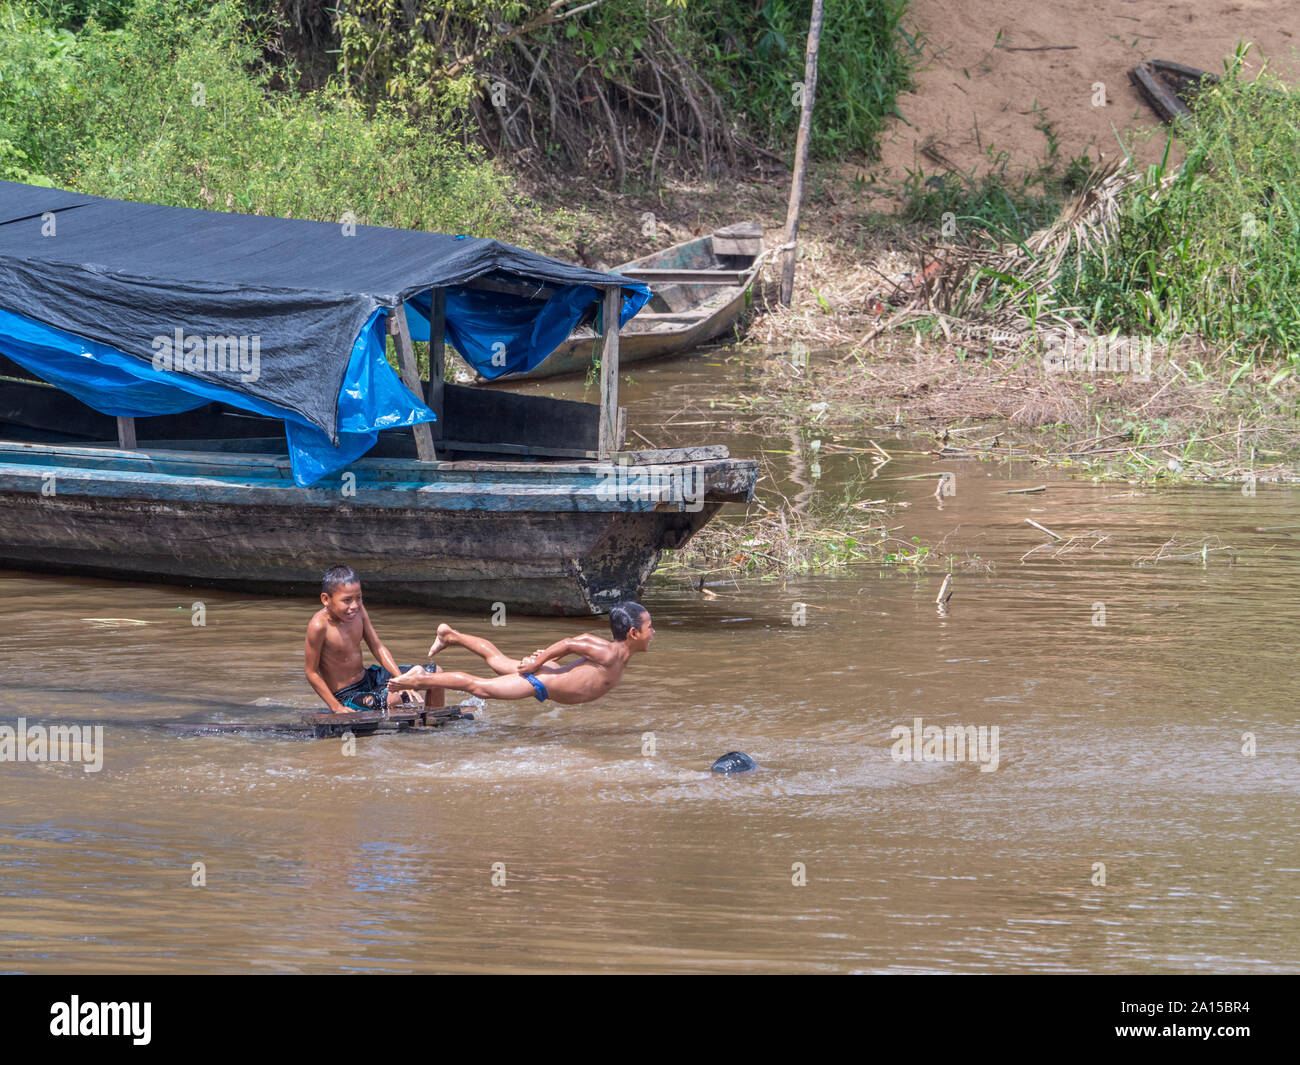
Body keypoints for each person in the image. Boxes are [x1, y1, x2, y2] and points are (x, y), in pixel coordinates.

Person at [386, 602, 653, 706]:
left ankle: (451, 636)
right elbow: (573, 642)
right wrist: (539, 661)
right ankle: (419, 679)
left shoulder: (617, 655)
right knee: (480, 688)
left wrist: (546, 662)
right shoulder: (609, 653)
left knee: (497, 660)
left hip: (546, 674)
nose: (653, 632)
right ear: (633, 633)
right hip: (539, 681)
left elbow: (575, 654)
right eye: (649, 627)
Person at [303, 565, 445, 714]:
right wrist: (336, 707)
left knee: (436, 674)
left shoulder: (359, 611)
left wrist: (401, 680)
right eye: (347, 600)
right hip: (348, 694)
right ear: (326, 599)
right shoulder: (319, 626)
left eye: (358, 598)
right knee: (395, 698)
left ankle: (433, 722)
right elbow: (311, 672)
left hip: (370, 678)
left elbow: (377, 647)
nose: (354, 605)